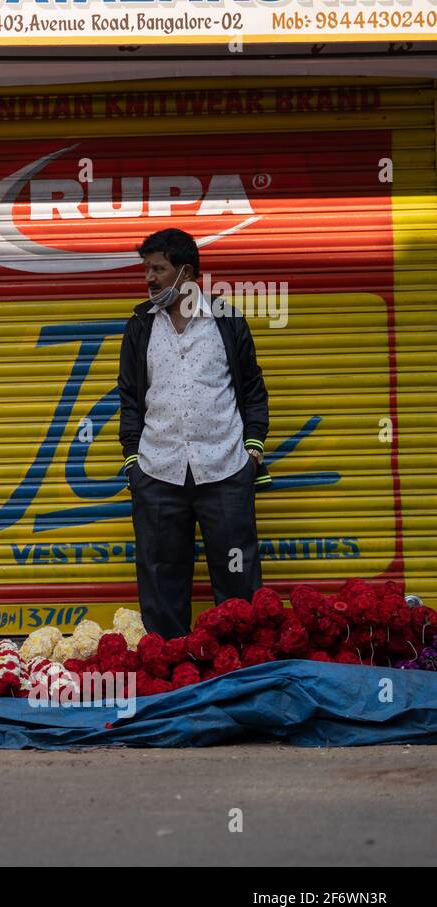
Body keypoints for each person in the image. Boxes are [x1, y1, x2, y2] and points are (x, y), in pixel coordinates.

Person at [117, 229, 272, 639]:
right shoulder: (140, 326)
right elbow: (130, 398)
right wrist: (133, 462)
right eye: (145, 269)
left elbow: (253, 389)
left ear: (186, 272)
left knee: (238, 578)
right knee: (161, 581)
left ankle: (243, 669)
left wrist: (252, 451)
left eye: (158, 268)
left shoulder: (226, 321)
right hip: (158, 473)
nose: (149, 278)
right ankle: (169, 674)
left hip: (225, 470)